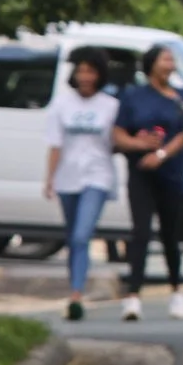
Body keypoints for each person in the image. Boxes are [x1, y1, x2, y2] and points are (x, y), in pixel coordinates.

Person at [111, 44, 183, 321]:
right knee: (140, 232)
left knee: (172, 234)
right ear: (151, 64)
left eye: (172, 59)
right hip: (141, 173)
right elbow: (118, 134)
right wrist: (138, 144)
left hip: (172, 172)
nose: (170, 63)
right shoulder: (134, 97)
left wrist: (161, 154)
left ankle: (176, 291)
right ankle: (133, 295)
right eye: (164, 58)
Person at [42, 48, 120, 322]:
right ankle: (74, 287)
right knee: (72, 237)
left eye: (91, 71)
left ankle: (77, 294)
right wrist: (49, 178)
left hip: (97, 176)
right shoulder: (62, 104)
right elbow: (55, 144)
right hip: (67, 177)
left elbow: (117, 140)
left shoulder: (110, 105)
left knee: (81, 235)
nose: (86, 76)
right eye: (81, 71)